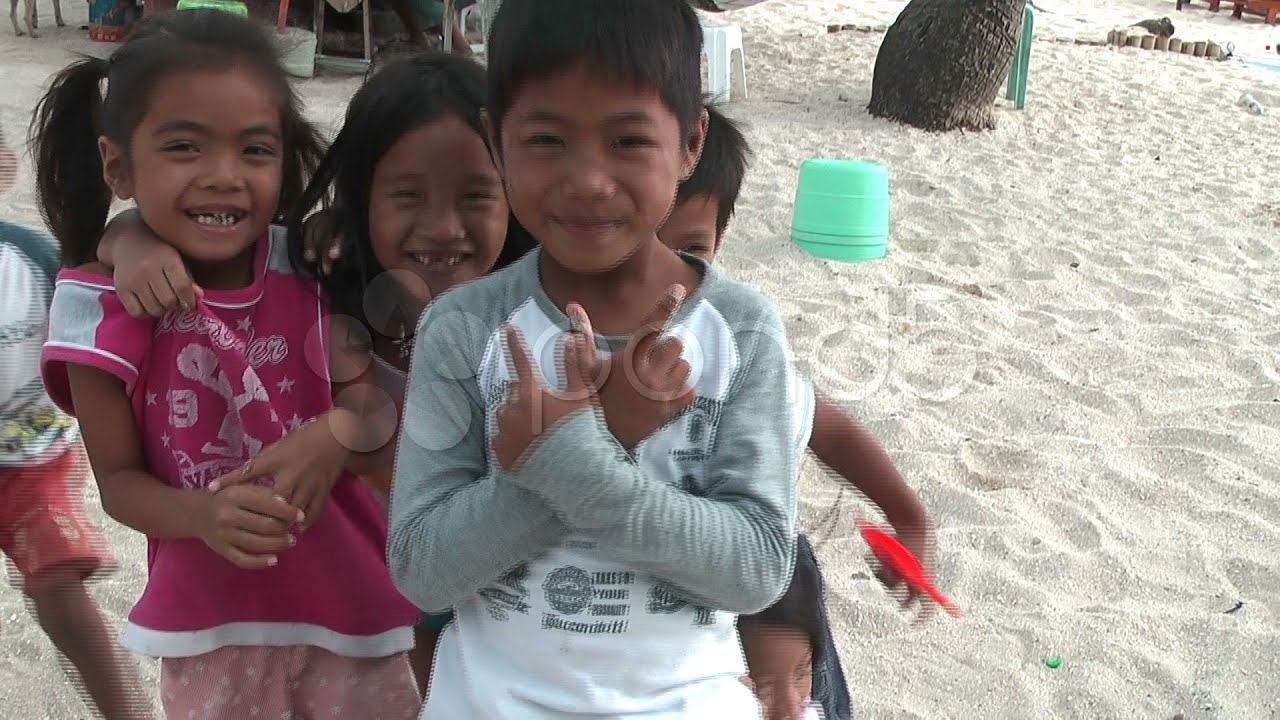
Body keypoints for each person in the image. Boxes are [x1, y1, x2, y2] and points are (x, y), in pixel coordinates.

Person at [389, 0, 807, 717]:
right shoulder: (463, 328)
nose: (587, 179)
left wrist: (576, 463)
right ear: (497, 142)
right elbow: (424, 570)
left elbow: (758, 569)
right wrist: (598, 439)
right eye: (546, 139)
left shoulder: (739, 331)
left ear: (690, 143)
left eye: (627, 141)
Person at [89, 51, 535, 696]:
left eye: (476, 195)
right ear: (361, 198)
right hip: (379, 606)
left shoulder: (535, 318)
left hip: (502, 608)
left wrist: (337, 438)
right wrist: (127, 236)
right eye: (407, 195)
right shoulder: (330, 280)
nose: (442, 226)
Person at [30, 10, 421, 719]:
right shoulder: (97, 312)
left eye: (255, 150)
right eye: (184, 147)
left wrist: (334, 432)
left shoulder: (311, 268)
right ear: (118, 164)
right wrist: (202, 514)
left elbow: (374, 410)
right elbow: (118, 484)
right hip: (210, 634)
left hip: (353, 614)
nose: (223, 177)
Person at [659, 104, 937, 720]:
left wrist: (906, 512)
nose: (664, 282)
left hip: (769, 573)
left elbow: (823, 425)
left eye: (690, 250)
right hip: (669, 587)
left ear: (718, 242)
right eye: (643, 247)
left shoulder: (736, 343)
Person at [0, 127, 153, 720]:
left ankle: (127, 712)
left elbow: (91, 337)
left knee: (59, 586)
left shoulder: (32, 262)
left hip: (35, 457)